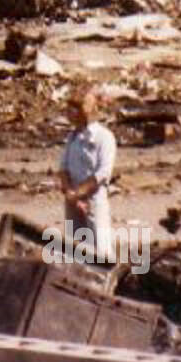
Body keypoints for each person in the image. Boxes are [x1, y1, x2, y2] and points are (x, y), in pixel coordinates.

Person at [58, 90, 117, 262]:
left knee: (100, 250)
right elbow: (63, 168)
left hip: (93, 201)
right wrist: (71, 194)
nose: (70, 113)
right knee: (75, 250)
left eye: (74, 108)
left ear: (87, 110)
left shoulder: (104, 137)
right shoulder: (72, 137)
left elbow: (103, 173)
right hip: (73, 202)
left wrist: (79, 193)